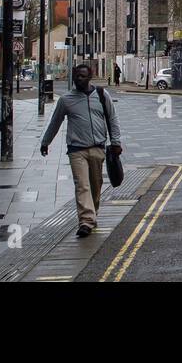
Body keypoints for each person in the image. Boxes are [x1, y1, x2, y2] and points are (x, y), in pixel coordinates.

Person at [40, 64, 122, 237]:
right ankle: (86, 221)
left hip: (98, 148)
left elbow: (112, 119)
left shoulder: (101, 95)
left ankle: (92, 213)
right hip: (76, 150)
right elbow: (55, 122)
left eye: (83, 76)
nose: (79, 79)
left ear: (89, 77)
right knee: (82, 185)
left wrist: (116, 142)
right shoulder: (66, 99)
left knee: (95, 184)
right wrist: (45, 142)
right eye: (77, 76)